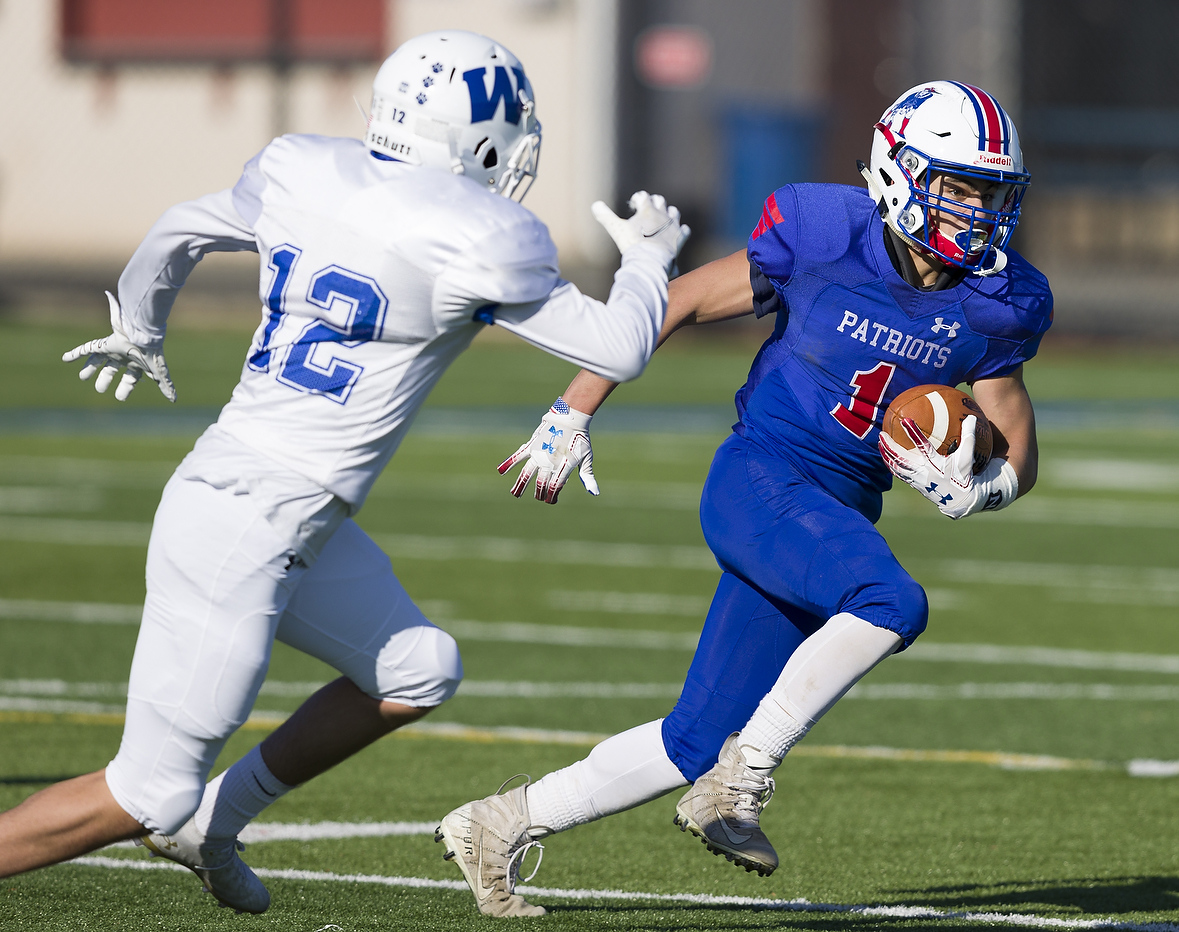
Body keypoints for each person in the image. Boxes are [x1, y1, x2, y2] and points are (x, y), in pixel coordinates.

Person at [0, 30, 689, 916]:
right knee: (145, 790)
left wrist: (140, 325)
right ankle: (177, 818)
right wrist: (647, 262)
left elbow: (180, 227)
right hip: (249, 522)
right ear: (472, 137)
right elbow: (622, 346)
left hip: (276, 509)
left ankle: (210, 827)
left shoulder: (302, 169)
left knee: (417, 670)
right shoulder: (480, 230)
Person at [439, 80, 1053, 918]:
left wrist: (980, 491)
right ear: (899, 171)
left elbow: (1016, 448)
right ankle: (741, 784)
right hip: (761, 477)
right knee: (890, 600)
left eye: (991, 194)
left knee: (691, 738)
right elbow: (681, 299)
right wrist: (571, 408)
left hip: (837, 509)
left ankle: (496, 825)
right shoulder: (825, 232)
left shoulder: (999, 302)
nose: (979, 212)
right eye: (959, 188)